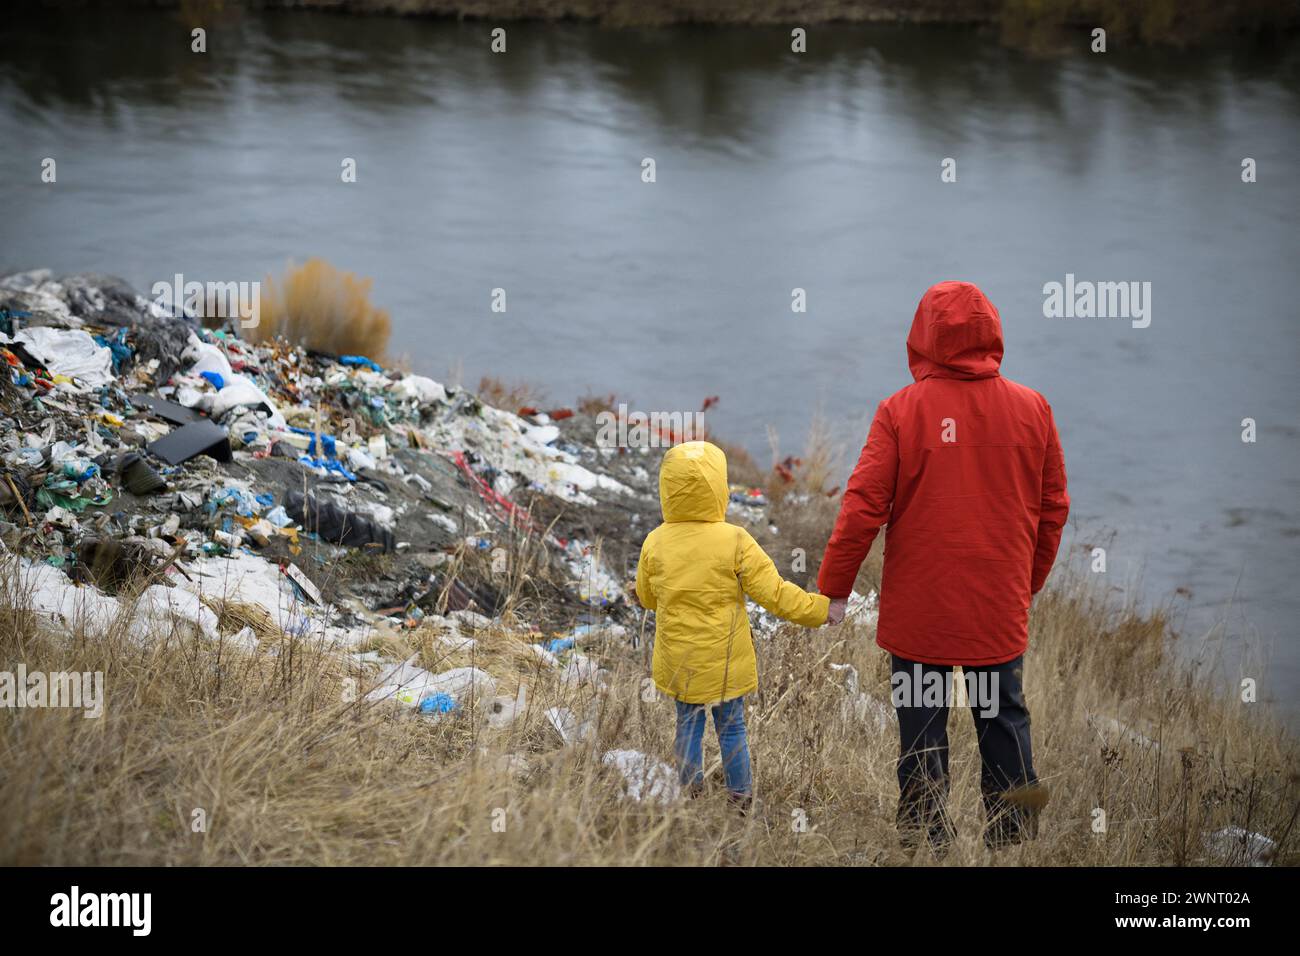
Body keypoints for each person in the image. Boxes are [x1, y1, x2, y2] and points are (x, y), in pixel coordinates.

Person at [818, 281, 1069, 850]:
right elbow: (1053, 509)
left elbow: (862, 507)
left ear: (923, 337)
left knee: (922, 728)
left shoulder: (901, 411)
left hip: (921, 614)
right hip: (994, 609)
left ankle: (927, 842)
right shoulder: (1033, 408)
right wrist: (1024, 584)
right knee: (1003, 723)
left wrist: (835, 587)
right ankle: (1013, 843)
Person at [636, 440, 829, 809]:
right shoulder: (735, 541)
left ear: (667, 489)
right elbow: (775, 594)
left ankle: (688, 798)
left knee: (688, 726)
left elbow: (647, 598)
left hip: (680, 663)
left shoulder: (655, 542)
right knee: (732, 728)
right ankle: (740, 800)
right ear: (719, 489)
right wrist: (819, 610)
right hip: (726, 663)